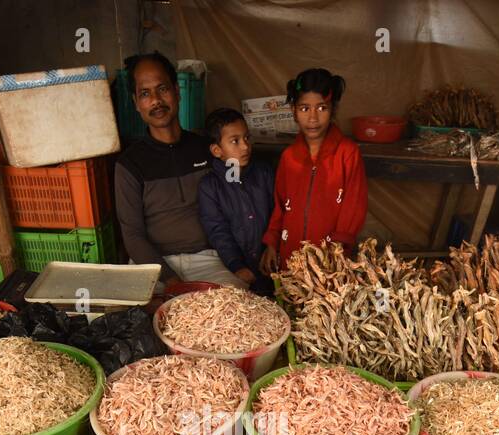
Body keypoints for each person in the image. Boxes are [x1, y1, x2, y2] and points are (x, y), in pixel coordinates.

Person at [114, 51, 244, 287]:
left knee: (240, 309)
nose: (155, 100)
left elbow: (235, 204)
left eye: (162, 89)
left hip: (208, 261)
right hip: (152, 267)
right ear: (136, 103)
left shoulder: (207, 149)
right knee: (138, 320)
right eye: (145, 93)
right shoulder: (129, 165)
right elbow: (132, 235)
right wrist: (171, 280)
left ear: (177, 91)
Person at [260, 68, 368, 277]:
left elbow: (354, 206)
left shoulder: (347, 153)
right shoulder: (289, 157)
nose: (312, 118)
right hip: (290, 257)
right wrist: (272, 242)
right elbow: (280, 206)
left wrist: (337, 252)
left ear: (333, 110)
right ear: (293, 110)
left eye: (321, 108)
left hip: (329, 262)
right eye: (304, 108)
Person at [198, 107, 275, 294]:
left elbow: (278, 211)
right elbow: (218, 230)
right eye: (235, 141)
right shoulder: (210, 186)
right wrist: (236, 265)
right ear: (217, 150)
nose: (245, 146)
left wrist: (273, 245)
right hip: (239, 270)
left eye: (247, 138)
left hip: (271, 262)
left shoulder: (264, 173)